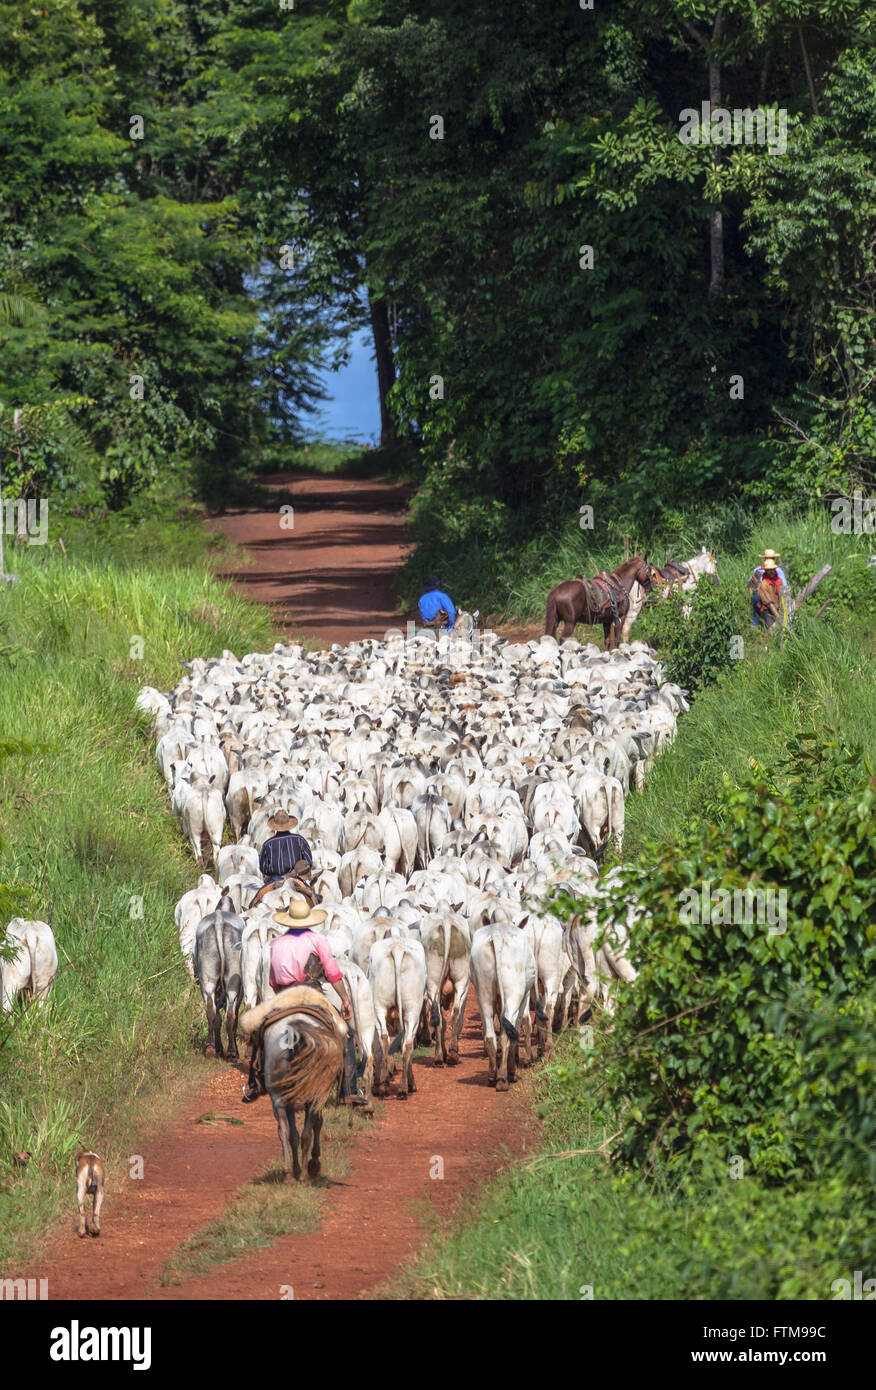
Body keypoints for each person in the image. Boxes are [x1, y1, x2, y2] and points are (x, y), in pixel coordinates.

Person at [244, 900, 371, 1108]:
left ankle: (254, 1083)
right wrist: (346, 999)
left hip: (285, 994)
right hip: (312, 995)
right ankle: (348, 1091)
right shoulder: (317, 939)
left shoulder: (277, 943)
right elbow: (332, 973)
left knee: (261, 1029)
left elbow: (272, 981)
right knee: (345, 1035)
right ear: (309, 920)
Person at [258, 810, 312, 884]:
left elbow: (263, 869)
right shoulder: (300, 839)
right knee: (313, 895)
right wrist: (295, 871)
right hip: (297, 878)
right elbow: (309, 862)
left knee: (259, 895)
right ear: (289, 824)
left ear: (275, 826)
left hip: (276, 879)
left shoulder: (267, 844)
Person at [749, 550, 789, 627]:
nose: (771, 572)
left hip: (775, 599)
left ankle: (755, 624)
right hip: (766, 600)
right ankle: (755, 625)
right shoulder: (760, 574)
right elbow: (769, 603)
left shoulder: (778, 575)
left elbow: (784, 588)